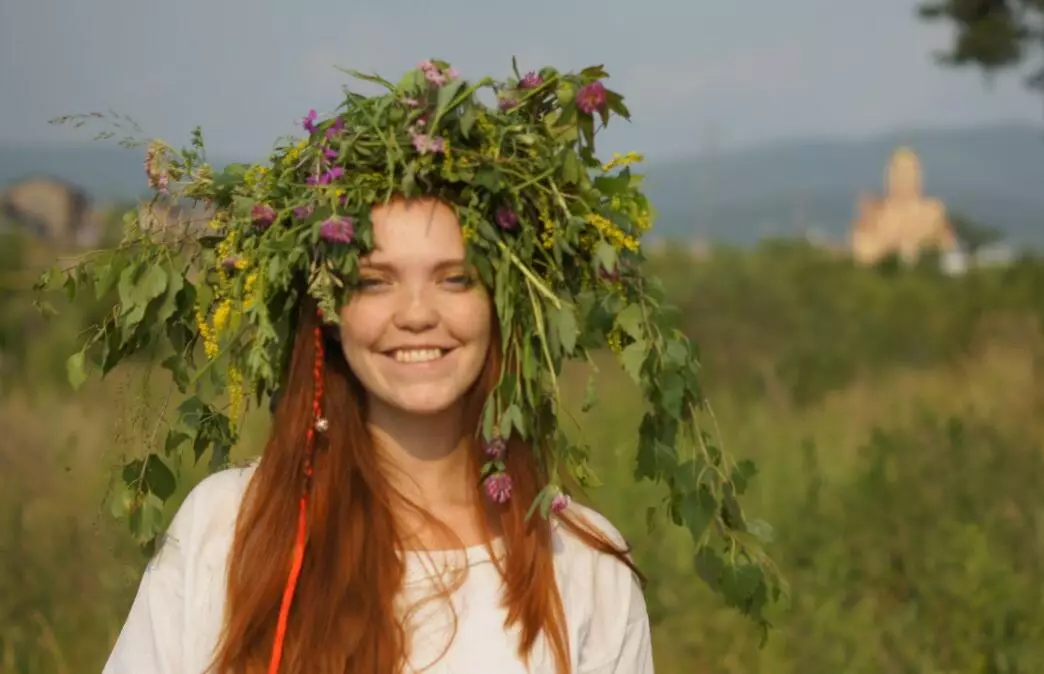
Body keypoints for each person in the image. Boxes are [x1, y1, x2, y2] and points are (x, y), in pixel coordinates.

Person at [50, 57, 777, 674]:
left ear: (507, 304)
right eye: (375, 280)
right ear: (330, 313)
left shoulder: (583, 565)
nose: (417, 313)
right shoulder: (228, 527)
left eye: (455, 278)